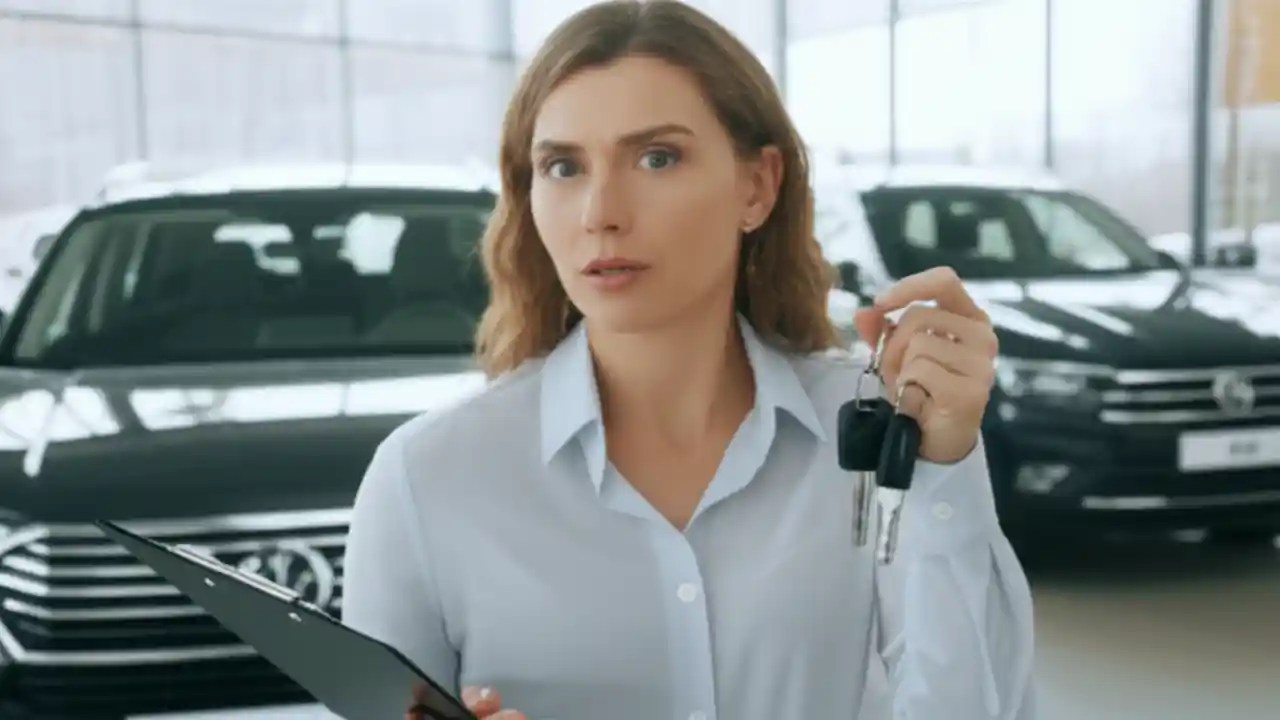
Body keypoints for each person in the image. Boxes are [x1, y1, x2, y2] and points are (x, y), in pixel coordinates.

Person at [341, 1, 1036, 718]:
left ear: (757, 187)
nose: (600, 212)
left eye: (656, 157)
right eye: (562, 166)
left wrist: (945, 465)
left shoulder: (877, 439)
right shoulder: (426, 479)